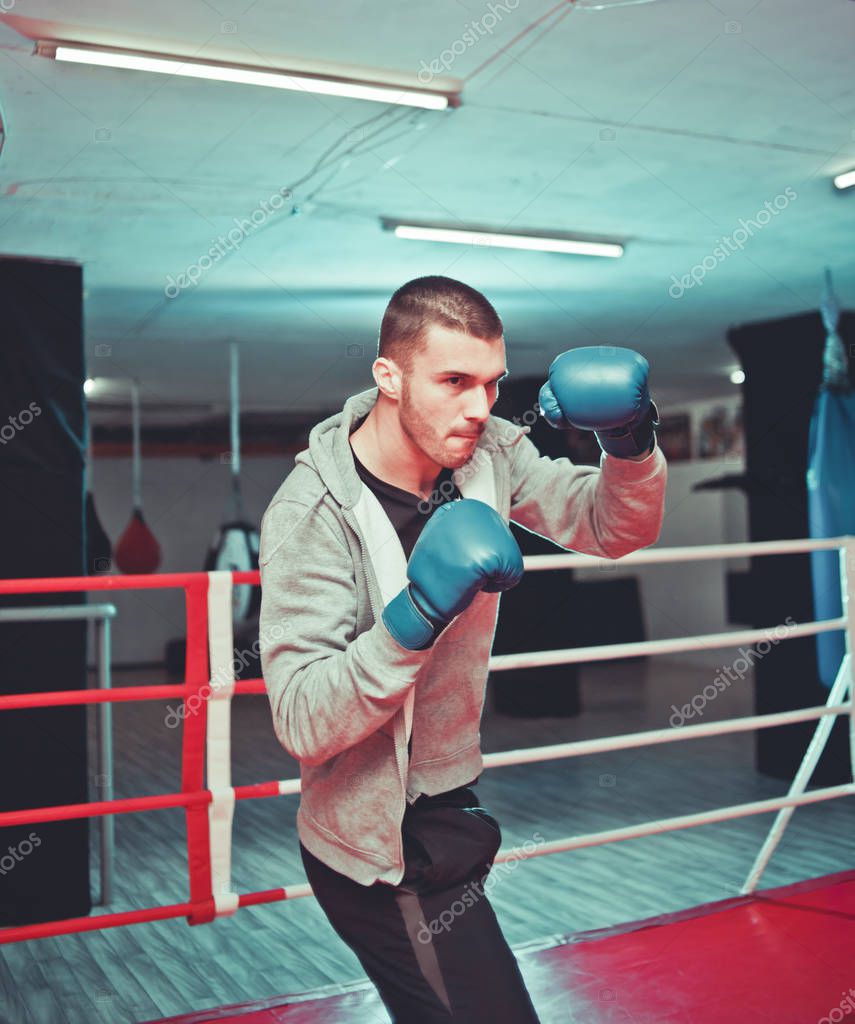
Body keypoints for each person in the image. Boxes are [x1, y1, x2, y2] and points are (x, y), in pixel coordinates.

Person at [258, 275, 668, 1022]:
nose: (478, 407)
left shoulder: (489, 454)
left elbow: (612, 527)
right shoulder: (310, 513)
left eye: (490, 383)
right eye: (453, 381)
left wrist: (631, 441)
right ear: (388, 376)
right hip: (371, 839)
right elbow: (301, 720)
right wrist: (416, 613)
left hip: (448, 811)